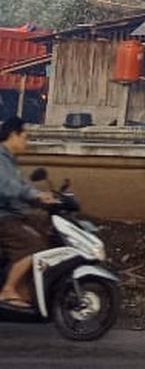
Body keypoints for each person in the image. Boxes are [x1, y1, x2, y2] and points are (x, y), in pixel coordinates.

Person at [0, 116, 55, 309]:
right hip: (3, 217)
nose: (27, 141)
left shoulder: (8, 159)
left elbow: (21, 186)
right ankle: (8, 290)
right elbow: (7, 187)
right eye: (25, 136)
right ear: (13, 135)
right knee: (33, 247)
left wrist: (42, 196)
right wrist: (35, 195)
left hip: (12, 214)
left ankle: (24, 290)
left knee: (46, 230)